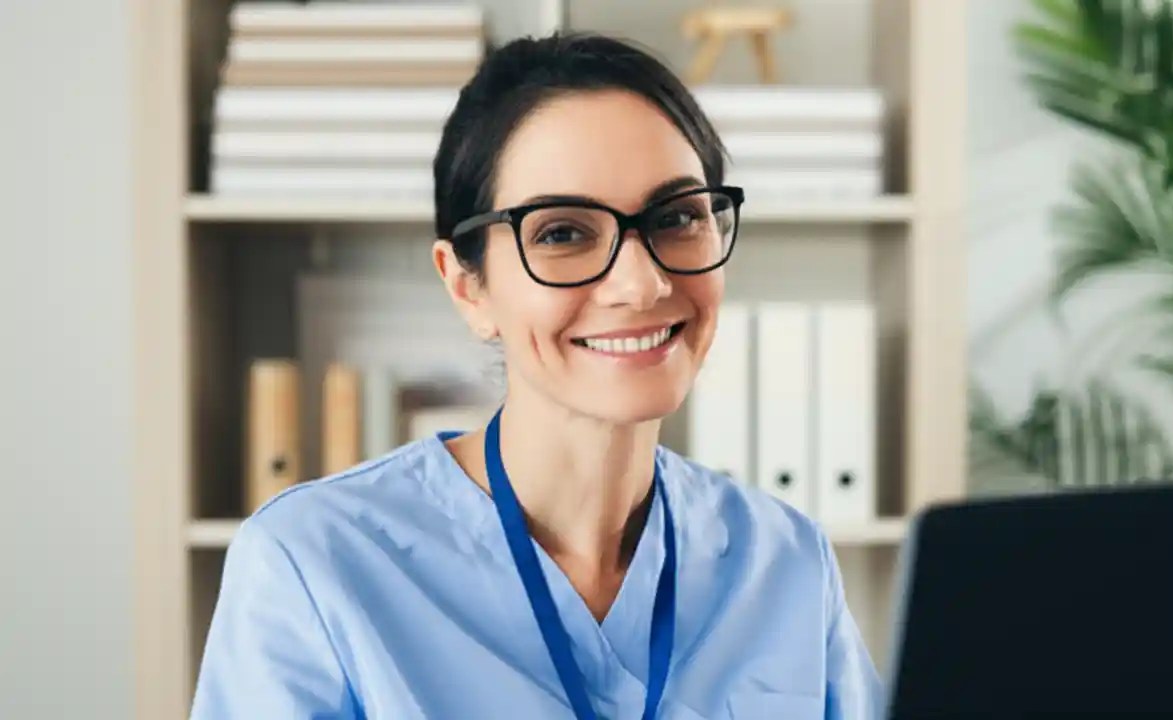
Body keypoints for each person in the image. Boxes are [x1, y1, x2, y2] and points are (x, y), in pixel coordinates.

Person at [190, 32, 883, 720]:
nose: (641, 283)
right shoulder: (313, 564)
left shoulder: (787, 562)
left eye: (677, 218)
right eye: (562, 233)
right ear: (468, 288)